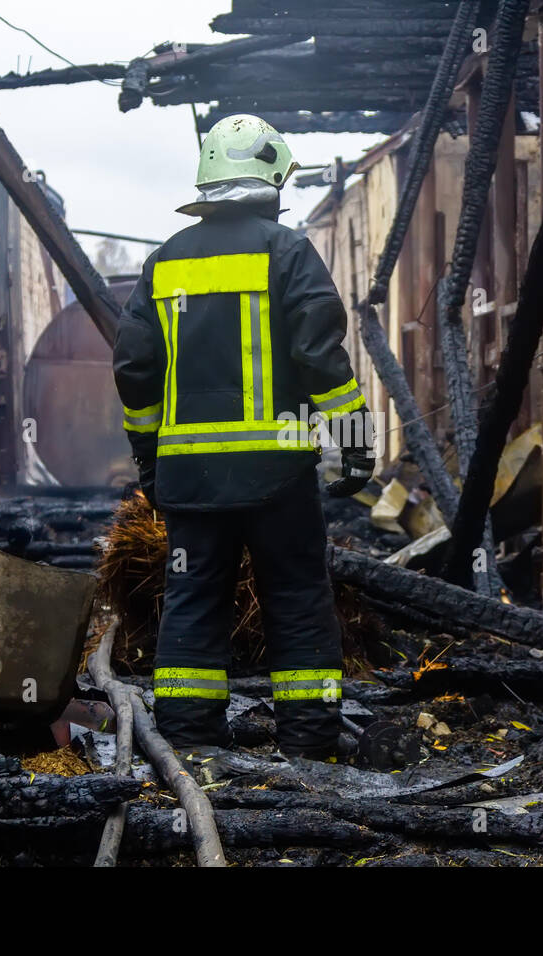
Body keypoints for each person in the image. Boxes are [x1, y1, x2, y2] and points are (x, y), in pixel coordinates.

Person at [113, 114, 376, 759]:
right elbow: (321, 358)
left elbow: (134, 372)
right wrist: (355, 441)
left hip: (191, 483)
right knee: (296, 598)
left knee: (194, 600)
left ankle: (187, 745)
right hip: (277, 477)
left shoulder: (164, 262)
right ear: (270, 178)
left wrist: (152, 463)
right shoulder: (286, 252)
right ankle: (311, 743)